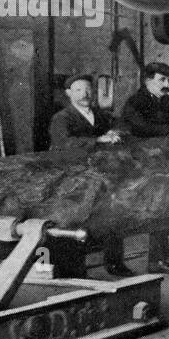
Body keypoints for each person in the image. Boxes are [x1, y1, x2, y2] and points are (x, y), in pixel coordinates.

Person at [48, 73, 129, 278]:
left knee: (113, 215)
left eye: (87, 90)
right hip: (73, 177)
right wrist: (99, 140)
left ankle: (115, 263)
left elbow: (122, 125)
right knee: (75, 222)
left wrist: (116, 133)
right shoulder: (62, 118)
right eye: (78, 90)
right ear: (68, 93)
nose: (84, 94)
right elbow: (64, 143)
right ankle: (73, 272)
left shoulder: (101, 115)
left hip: (101, 175)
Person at [120, 62, 169, 274]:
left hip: (159, 165)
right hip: (137, 166)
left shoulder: (166, 102)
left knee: (163, 210)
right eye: (162, 80)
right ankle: (117, 262)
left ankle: (158, 260)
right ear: (148, 80)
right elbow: (138, 128)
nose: (167, 84)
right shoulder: (135, 102)